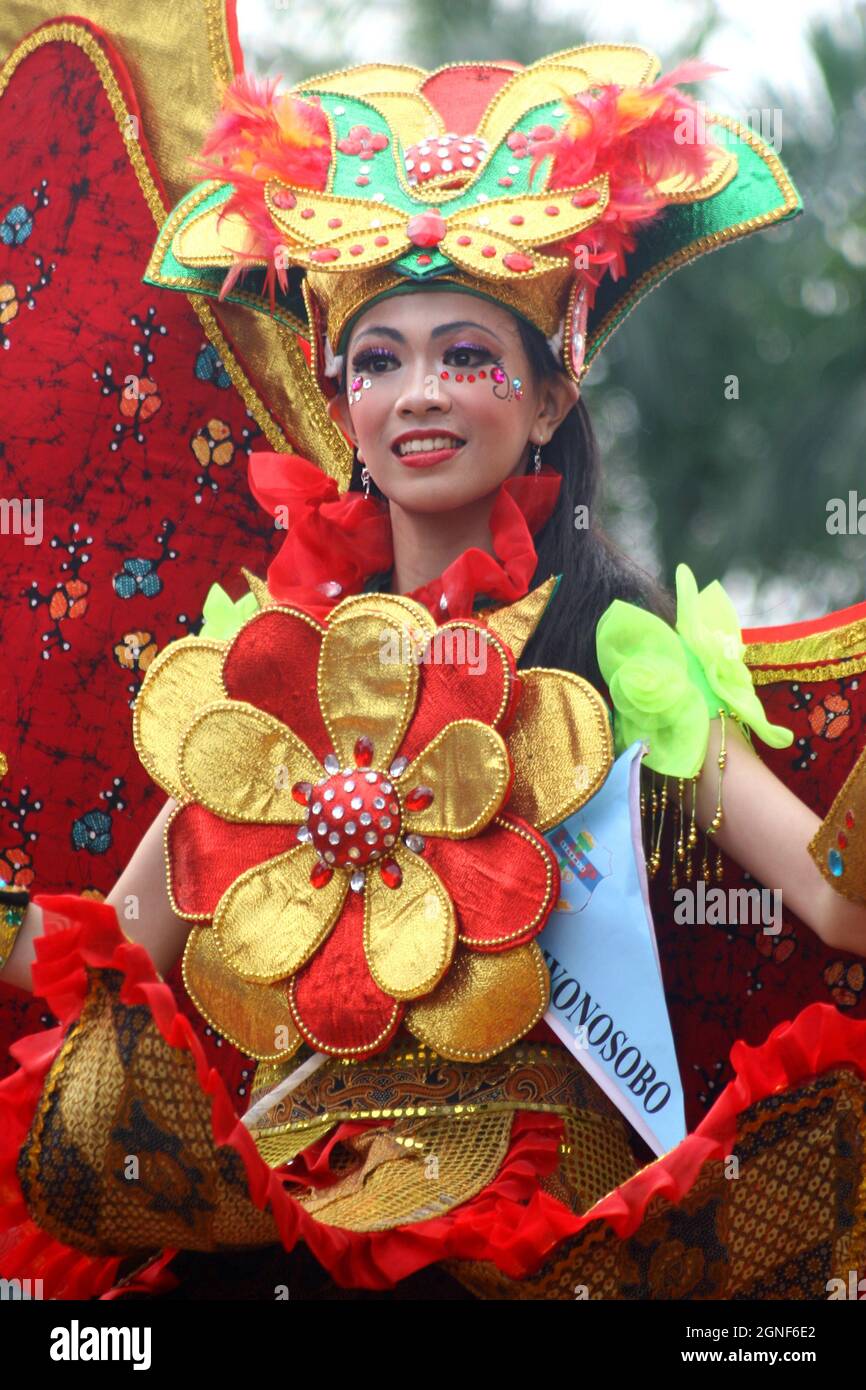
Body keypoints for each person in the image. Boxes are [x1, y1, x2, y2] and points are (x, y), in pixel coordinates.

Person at [2, 45, 866, 1301]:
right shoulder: (267, 651)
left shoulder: (616, 644)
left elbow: (836, 904)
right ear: (339, 397)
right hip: (286, 1204)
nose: (419, 394)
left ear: (550, 386)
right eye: (380, 360)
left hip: (525, 1219)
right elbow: (116, 942)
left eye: (465, 354)